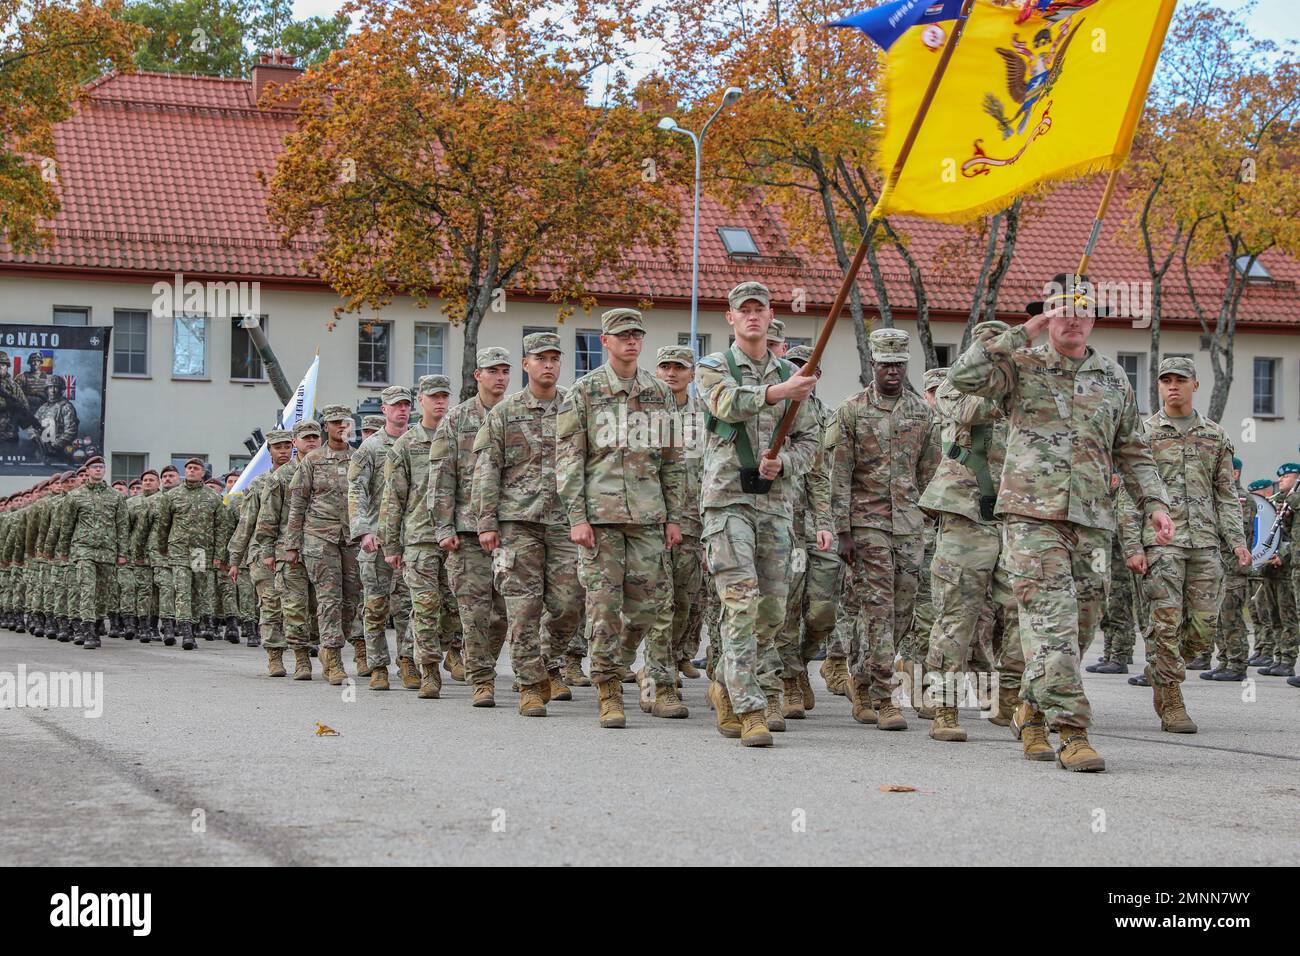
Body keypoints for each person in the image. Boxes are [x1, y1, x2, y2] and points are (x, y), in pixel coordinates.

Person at [949, 272, 1173, 772]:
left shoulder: (1113, 378)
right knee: (1053, 623)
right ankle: (1072, 731)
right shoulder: (1019, 365)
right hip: (1031, 518)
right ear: (1047, 314)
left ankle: (1029, 709)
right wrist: (1024, 331)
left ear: (1093, 317)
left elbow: (1132, 448)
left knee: (1079, 627)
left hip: (1093, 521)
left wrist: (1155, 503)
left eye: (1081, 309)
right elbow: (960, 376)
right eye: (1060, 309)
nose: (1071, 319)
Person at [696, 282, 820, 746]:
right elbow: (726, 405)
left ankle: (728, 678)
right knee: (741, 602)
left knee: (772, 609)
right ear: (729, 318)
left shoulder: (794, 374)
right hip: (727, 503)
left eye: (760, 310)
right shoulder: (712, 367)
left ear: (771, 317)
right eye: (742, 310)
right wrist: (778, 391)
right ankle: (749, 706)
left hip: (775, 507)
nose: (752, 317)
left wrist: (785, 462)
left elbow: (812, 442)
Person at [556, 308, 686, 729]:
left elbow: (672, 459)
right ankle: (609, 691)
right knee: (604, 608)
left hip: (649, 516)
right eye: (622, 335)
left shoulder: (657, 392)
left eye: (636, 335)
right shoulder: (584, 392)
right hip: (600, 520)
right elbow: (569, 460)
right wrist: (577, 516)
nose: (631, 341)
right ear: (605, 341)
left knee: (653, 607)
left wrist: (674, 516)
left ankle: (645, 675)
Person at [1117, 358, 1247, 733]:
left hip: (1205, 544)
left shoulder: (1216, 435)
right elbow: (1129, 494)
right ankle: (1172, 701)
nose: (1173, 386)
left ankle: (1161, 668)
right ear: (1159, 387)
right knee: (1165, 625)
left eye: (1180, 380)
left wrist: (1236, 541)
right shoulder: (1143, 434)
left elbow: (1226, 493)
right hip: (1161, 545)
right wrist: (1133, 547)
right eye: (1166, 381)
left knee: (1204, 628)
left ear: (1195, 385)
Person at [829, 327, 939, 731]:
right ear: (872, 365)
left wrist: (931, 521)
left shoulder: (921, 412)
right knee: (877, 608)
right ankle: (883, 696)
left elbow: (930, 473)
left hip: (910, 527)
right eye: (885, 364)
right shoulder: (852, 411)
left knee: (902, 611)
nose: (892, 371)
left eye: (898, 364)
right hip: (867, 524)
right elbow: (839, 474)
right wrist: (842, 530)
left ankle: (859, 675)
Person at [920, 322, 1024, 743]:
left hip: (1018, 516)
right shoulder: (952, 388)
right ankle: (944, 705)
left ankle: (1012, 697)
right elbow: (971, 410)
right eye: (989, 350)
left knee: (1023, 614)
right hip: (966, 516)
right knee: (956, 616)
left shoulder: (1027, 389)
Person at [473, 332, 584, 716]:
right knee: (522, 607)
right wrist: (486, 522)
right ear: (526, 365)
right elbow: (486, 469)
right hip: (516, 523)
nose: (548, 364)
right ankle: (529, 684)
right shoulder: (505, 412)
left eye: (555, 358)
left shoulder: (575, 406)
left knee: (571, 602)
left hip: (566, 521)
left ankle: (546, 661)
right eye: (540, 358)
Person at [432, 350, 512, 706]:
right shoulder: (456, 418)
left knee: (503, 613)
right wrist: (443, 527)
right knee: (474, 611)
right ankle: (482, 679)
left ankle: (484, 663)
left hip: (511, 529)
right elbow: (441, 475)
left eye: (505, 371)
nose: (499, 377)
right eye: (492, 371)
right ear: (478, 375)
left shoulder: (515, 414)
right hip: (466, 531)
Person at [380, 374, 458, 694]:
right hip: (420, 539)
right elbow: (393, 498)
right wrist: (391, 544)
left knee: (454, 607)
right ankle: (428, 669)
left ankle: (454, 653)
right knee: (425, 605)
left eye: (444, 396)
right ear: (421, 401)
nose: (440, 402)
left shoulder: (458, 439)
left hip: (455, 538)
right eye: (433, 397)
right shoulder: (406, 445)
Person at [773, 343, 838, 719]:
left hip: (816, 527)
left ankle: (804, 659)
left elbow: (820, 476)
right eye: (794, 366)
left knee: (823, 612)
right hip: (784, 526)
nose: (801, 372)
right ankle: (791, 681)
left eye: (808, 368)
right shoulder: (779, 412)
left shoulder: (827, 417)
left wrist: (826, 523)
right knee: (788, 609)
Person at [285, 404, 363, 686]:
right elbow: (298, 504)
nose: (341, 427)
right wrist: (292, 544)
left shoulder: (359, 458)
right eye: (335, 423)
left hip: (351, 538)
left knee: (351, 600)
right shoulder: (313, 460)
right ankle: (334, 656)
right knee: (329, 599)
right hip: (319, 537)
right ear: (326, 427)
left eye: (345, 422)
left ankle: (331, 649)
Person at [349, 386, 414, 687]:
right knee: (375, 606)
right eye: (395, 405)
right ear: (384, 410)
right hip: (376, 538)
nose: (402, 410)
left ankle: (408, 662)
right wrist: (363, 530)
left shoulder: (418, 442)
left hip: (409, 538)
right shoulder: (370, 448)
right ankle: (377, 667)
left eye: (406, 404)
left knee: (408, 608)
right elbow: (356, 490)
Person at [254, 420, 322, 679]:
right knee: (293, 607)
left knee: (323, 607)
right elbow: (267, 518)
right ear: (296, 443)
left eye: (315, 437)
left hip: (323, 550)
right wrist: (268, 551)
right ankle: (300, 659)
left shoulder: (327, 470)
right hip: (288, 551)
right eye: (306, 438)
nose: (312, 441)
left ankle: (324, 651)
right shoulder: (280, 477)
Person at [227, 430, 293, 675]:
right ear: (270, 451)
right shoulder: (258, 484)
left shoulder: (302, 477)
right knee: (271, 605)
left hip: (294, 552)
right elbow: (246, 523)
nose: (284, 451)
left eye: (287, 446)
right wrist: (235, 558)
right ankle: (275, 656)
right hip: (262, 554)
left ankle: (301, 650)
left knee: (295, 606)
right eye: (278, 447)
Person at [56, 456, 127, 648]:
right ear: (87, 471)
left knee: (103, 593)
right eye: (94, 467)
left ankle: (96, 625)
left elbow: (122, 526)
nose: (98, 470)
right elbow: (67, 525)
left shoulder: (116, 496)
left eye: (101, 467)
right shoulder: (75, 496)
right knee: (86, 588)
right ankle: (87, 631)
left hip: (107, 550)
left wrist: (122, 552)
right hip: (83, 549)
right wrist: (64, 550)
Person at [151, 458, 220, 651]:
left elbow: (220, 527)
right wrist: (162, 547)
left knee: (197, 589)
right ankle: (186, 631)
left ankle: (194, 622)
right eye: (188, 468)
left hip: (200, 551)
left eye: (195, 468)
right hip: (179, 549)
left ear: (203, 473)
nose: (191, 471)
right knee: (182, 588)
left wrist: (218, 553)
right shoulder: (172, 496)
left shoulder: (212, 497)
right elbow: (164, 524)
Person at [1204, 458, 1254, 682]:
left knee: (1232, 618)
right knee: (1220, 618)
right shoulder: (1219, 500)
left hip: (1234, 568)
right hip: (1219, 567)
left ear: (1234, 474)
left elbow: (1236, 532)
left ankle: (1237, 664)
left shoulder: (1241, 501)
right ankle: (1224, 660)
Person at [34, 378, 78, 461]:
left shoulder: (66, 407)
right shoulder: (42, 408)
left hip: (60, 452)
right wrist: (35, 438)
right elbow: (33, 426)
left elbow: (71, 431)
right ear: (46, 390)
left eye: (56, 387)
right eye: (50, 387)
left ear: (61, 390)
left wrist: (55, 445)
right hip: (42, 452)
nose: (53, 390)